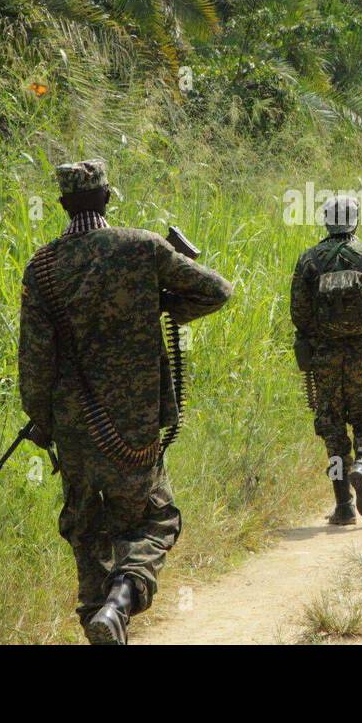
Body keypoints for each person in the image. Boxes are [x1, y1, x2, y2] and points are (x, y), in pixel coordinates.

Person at [17, 159, 234, 645]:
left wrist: (41, 421)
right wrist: (156, 304)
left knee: (86, 528)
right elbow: (218, 291)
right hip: (133, 427)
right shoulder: (140, 247)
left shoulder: (43, 267)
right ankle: (119, 604)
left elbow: (34, 362)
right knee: (156, 517)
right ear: (107, 197)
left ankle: (100, 614)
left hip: (74, 427)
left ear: (62, 204)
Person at [290, 195, 362, 526]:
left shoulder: (310, 260)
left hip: (325, 357)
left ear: (326, 220)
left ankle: (343, 505)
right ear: (354, 221)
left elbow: (299, 312)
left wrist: (320, 334)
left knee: (331, 427)